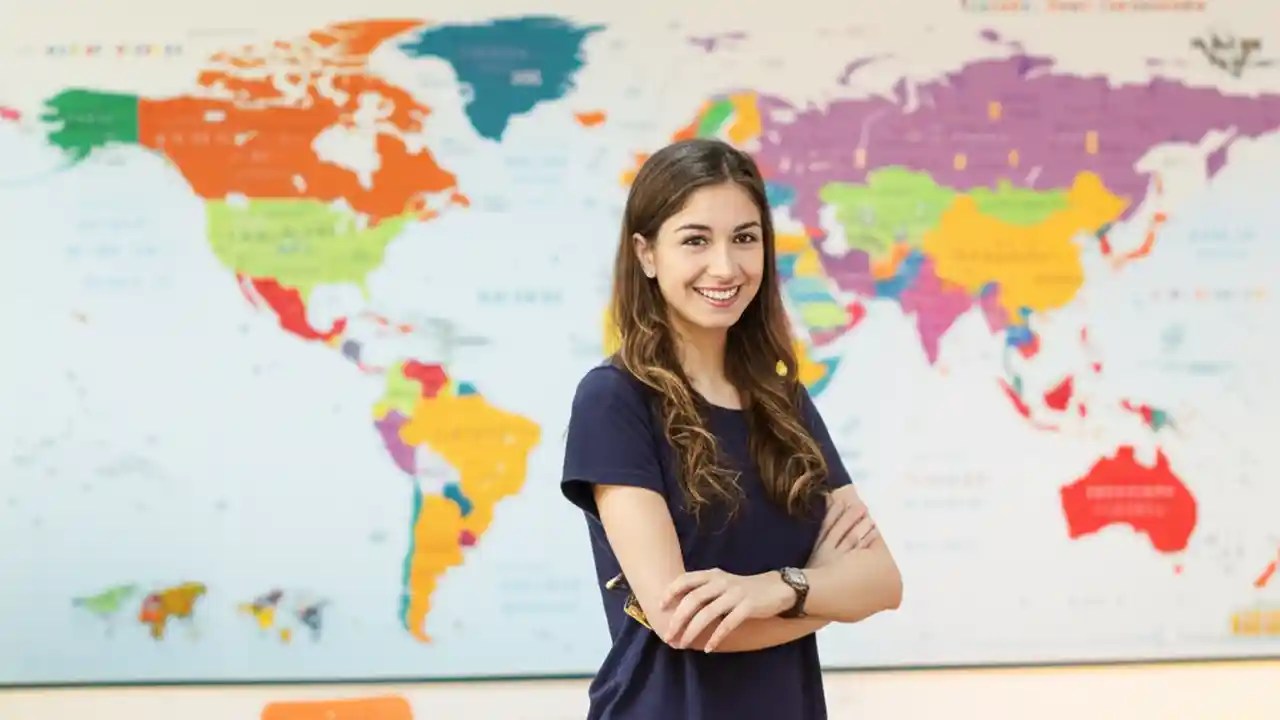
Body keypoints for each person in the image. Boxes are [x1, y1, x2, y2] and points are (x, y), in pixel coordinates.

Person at [560, 137, 903, 719]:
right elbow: (683, 622)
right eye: (696, 240)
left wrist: (773, 589)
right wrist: (823, 589)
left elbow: (882, 582)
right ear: (646, 254)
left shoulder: (782, 401)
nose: (726, 266)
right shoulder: (614, 400)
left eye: (745, 238)